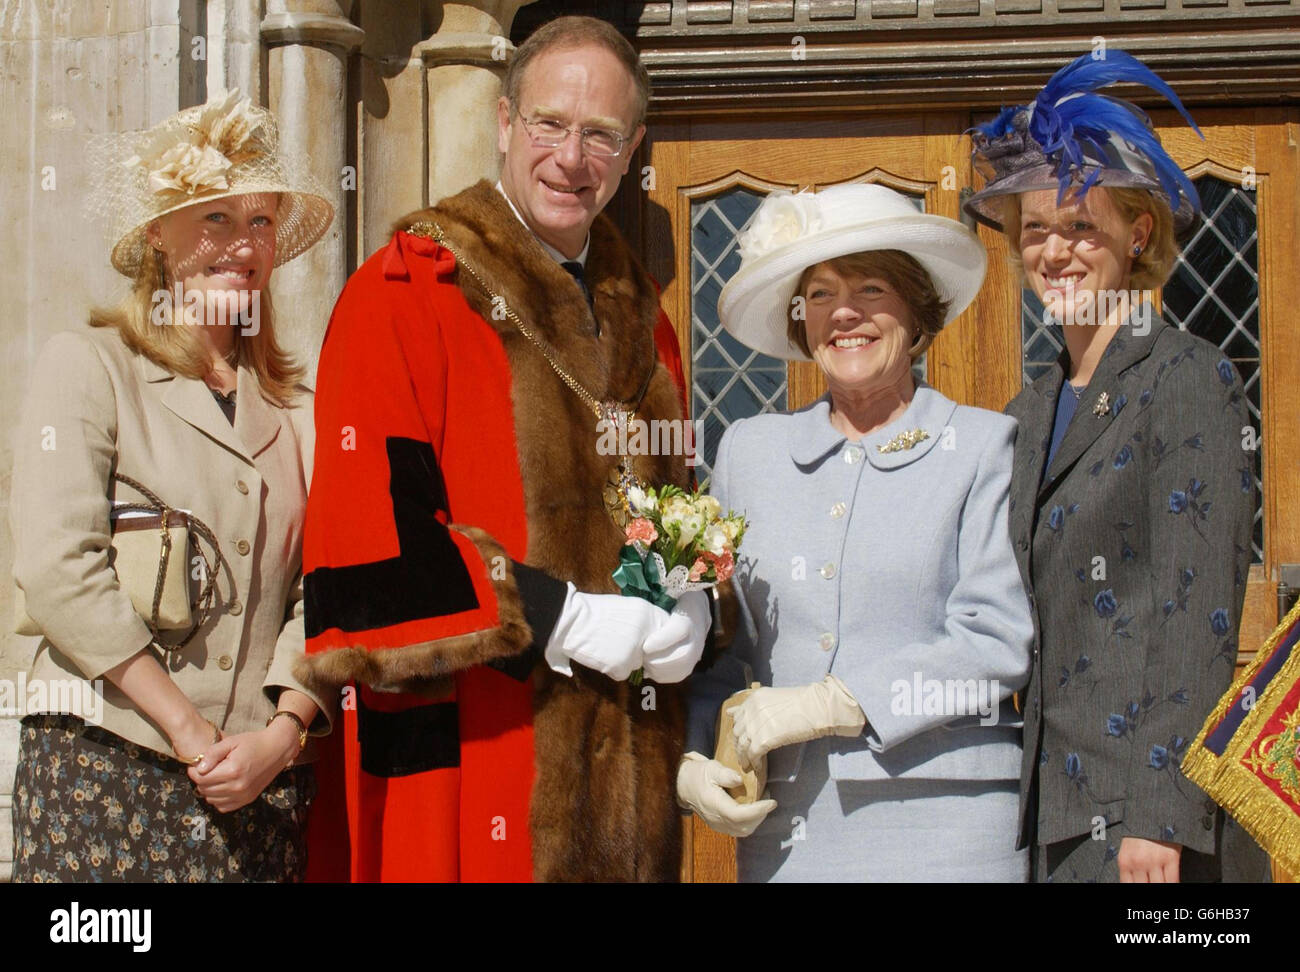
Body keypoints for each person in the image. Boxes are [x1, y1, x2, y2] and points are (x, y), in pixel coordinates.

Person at [297, 15, 709, 882]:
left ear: (632, 148)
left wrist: (698, 593)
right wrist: (558, 614)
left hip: (628, 777)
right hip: (477, 759)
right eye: (550, 124)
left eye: (600, 134)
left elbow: (673, 506)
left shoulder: (645, 318)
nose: (572, 158)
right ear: (502, 123)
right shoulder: (404, 290)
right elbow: (366, 547)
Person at [9, 90, 335, 882]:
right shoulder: (89, 367)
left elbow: (325, 587)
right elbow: (59, 573)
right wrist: (190, 732)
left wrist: (283, 733)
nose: (241, 244)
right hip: (102, 775)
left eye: (259, 223)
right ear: (158, 233)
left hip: (259, 793)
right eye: (215, 218)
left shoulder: (299, 412)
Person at [965, 50, 1270, 882]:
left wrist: (1159, 817)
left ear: (1137, 235)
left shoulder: (1188, 377)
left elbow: (1196, 611)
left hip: (1152, 830)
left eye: (1080, 227)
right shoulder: (1026, 415)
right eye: (1036, 230)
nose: (1055, 251)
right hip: (1051, 816)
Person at [676, 183, 1035, 881]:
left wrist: (833, 703)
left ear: (915, 309)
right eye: (819, 294)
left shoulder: (985, 447)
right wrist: (692, 757)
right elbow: (716, 643)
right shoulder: (749, 453)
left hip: (953, 824)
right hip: (791, 830)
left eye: (872, 289)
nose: (844, 313)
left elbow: (995, 640)